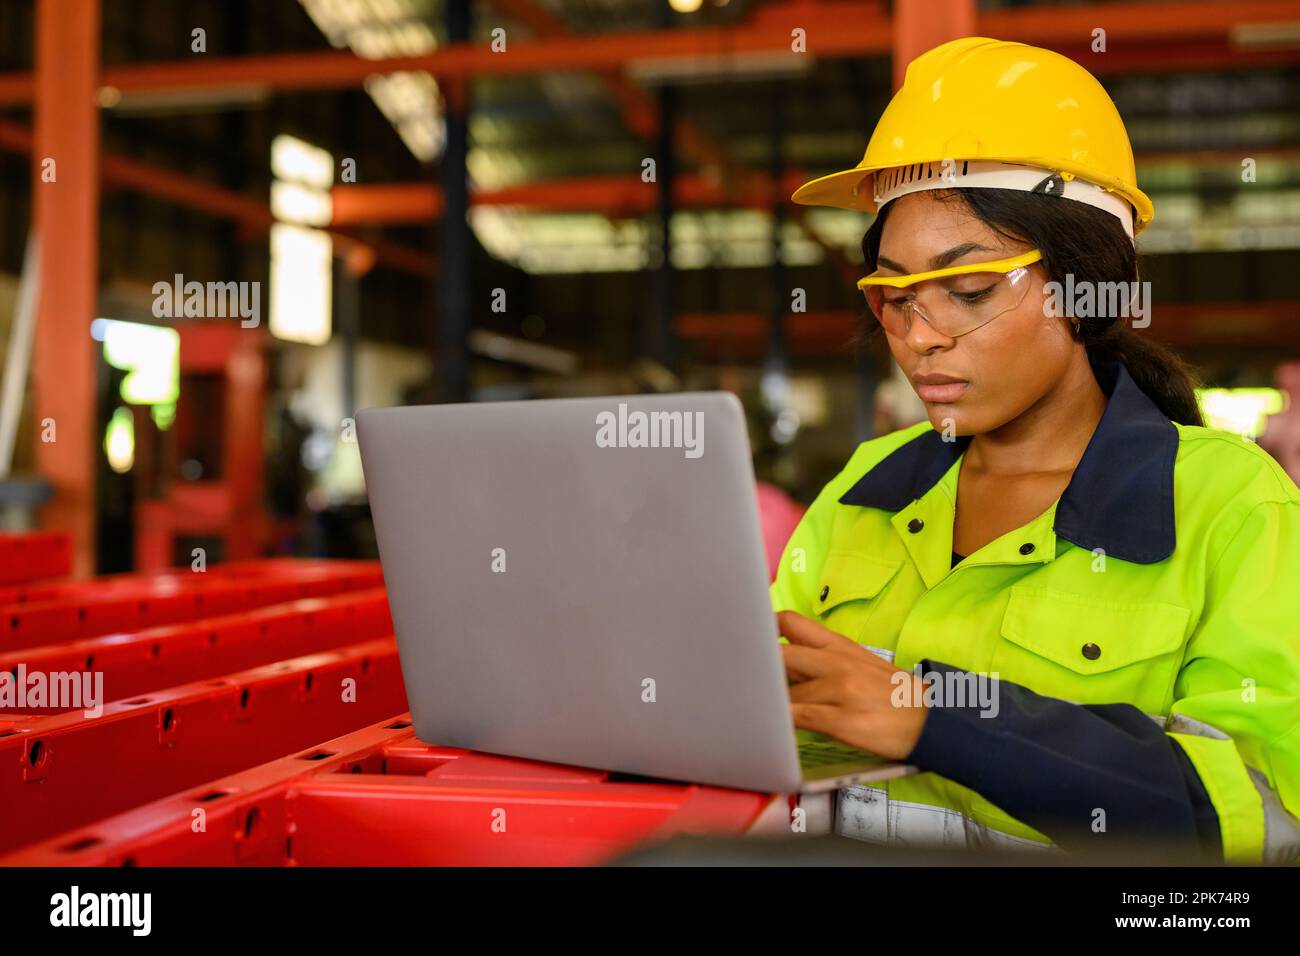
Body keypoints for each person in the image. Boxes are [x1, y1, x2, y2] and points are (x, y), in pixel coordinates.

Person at [771, 36, 1300, 862]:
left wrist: (936, 718)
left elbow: (1257, 822)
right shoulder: (866, 489)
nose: (919, 338)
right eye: (893, 295)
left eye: (970, 290)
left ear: (1088, 283)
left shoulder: (1229, 508)